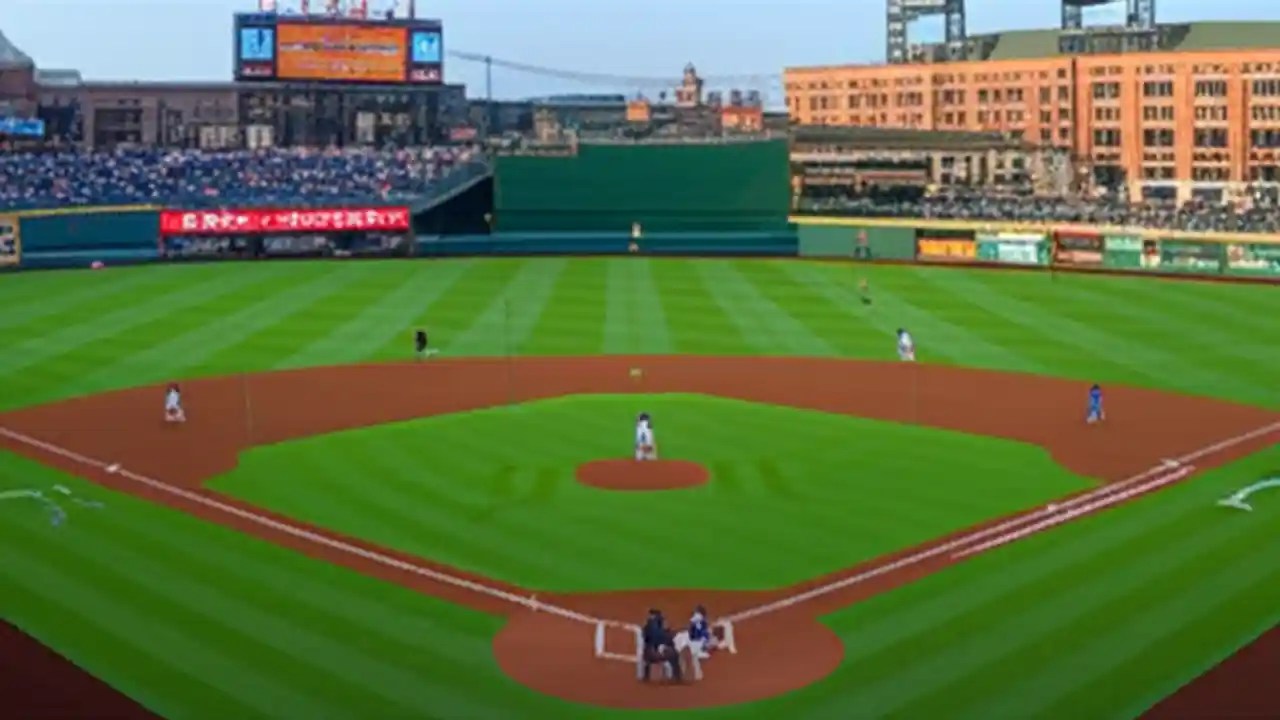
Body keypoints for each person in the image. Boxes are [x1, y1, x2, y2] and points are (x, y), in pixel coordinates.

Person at [640, 609, 682, 682]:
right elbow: (666, 640)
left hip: (648, 655)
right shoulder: (660, 628)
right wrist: (669, 633)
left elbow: (646, 638)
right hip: (656, 654)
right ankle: (677, 677)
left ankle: (646, 676)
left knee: (647, 650)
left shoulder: (647, 627)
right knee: (674, 654)